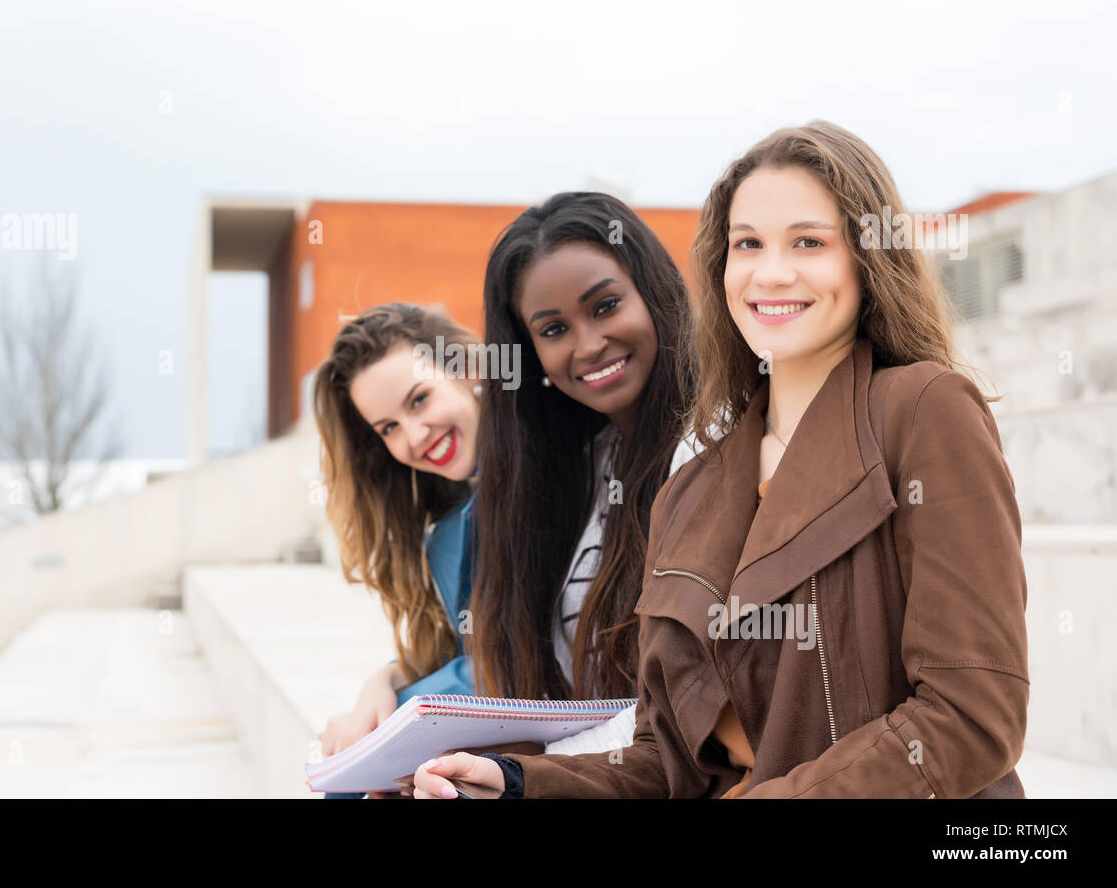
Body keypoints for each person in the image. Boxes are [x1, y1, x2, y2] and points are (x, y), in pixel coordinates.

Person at [413, 122, 1029, 798]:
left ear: (865, 256)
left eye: (808, 242)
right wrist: (515, 783)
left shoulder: (923, 410)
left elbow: (972, 717)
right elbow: (667, 761)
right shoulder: (693, 482)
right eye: (748, 245)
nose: (772, 272)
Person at [468, 192, 698, 717]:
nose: (589, 344)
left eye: (606, 306)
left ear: (653, 292)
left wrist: (530, 775)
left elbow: (681, 724)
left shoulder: (711, 446)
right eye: (553, 330)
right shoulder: (586, 461)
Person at [314, 304, 482, 771]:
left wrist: (391, 720)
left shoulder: (559, 473)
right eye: (388, 427)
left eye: (419, 400)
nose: (413, 435)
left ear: (466, 371)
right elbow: (466, 649)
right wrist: (384, 679)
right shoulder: (445, 537)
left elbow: (508, 668)